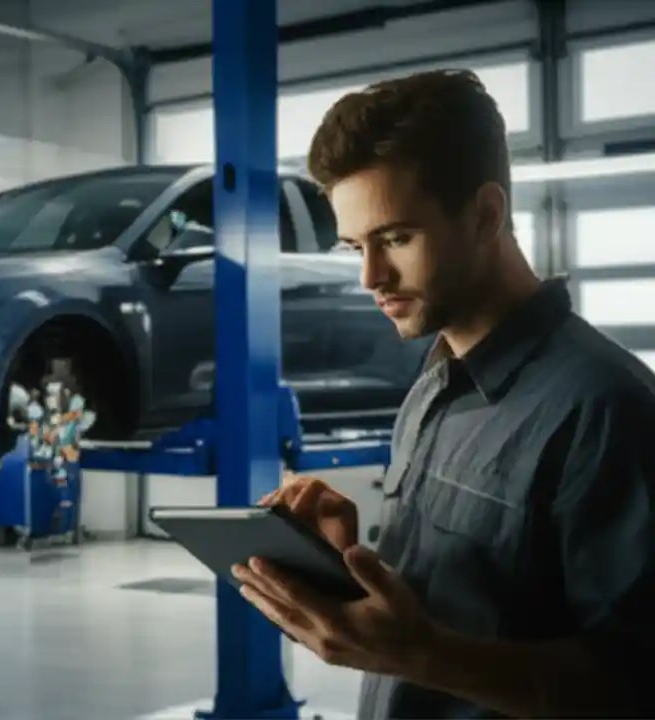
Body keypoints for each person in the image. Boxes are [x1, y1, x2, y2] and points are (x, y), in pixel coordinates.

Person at [232, 69, 655, 719]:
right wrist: (334, 567)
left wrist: (424, 656)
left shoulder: (606, 411)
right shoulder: (433, 384)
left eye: (396, 238)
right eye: (356, 247)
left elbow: (636, 687)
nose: (371, 277)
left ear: (486, 214)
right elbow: (441, 612)